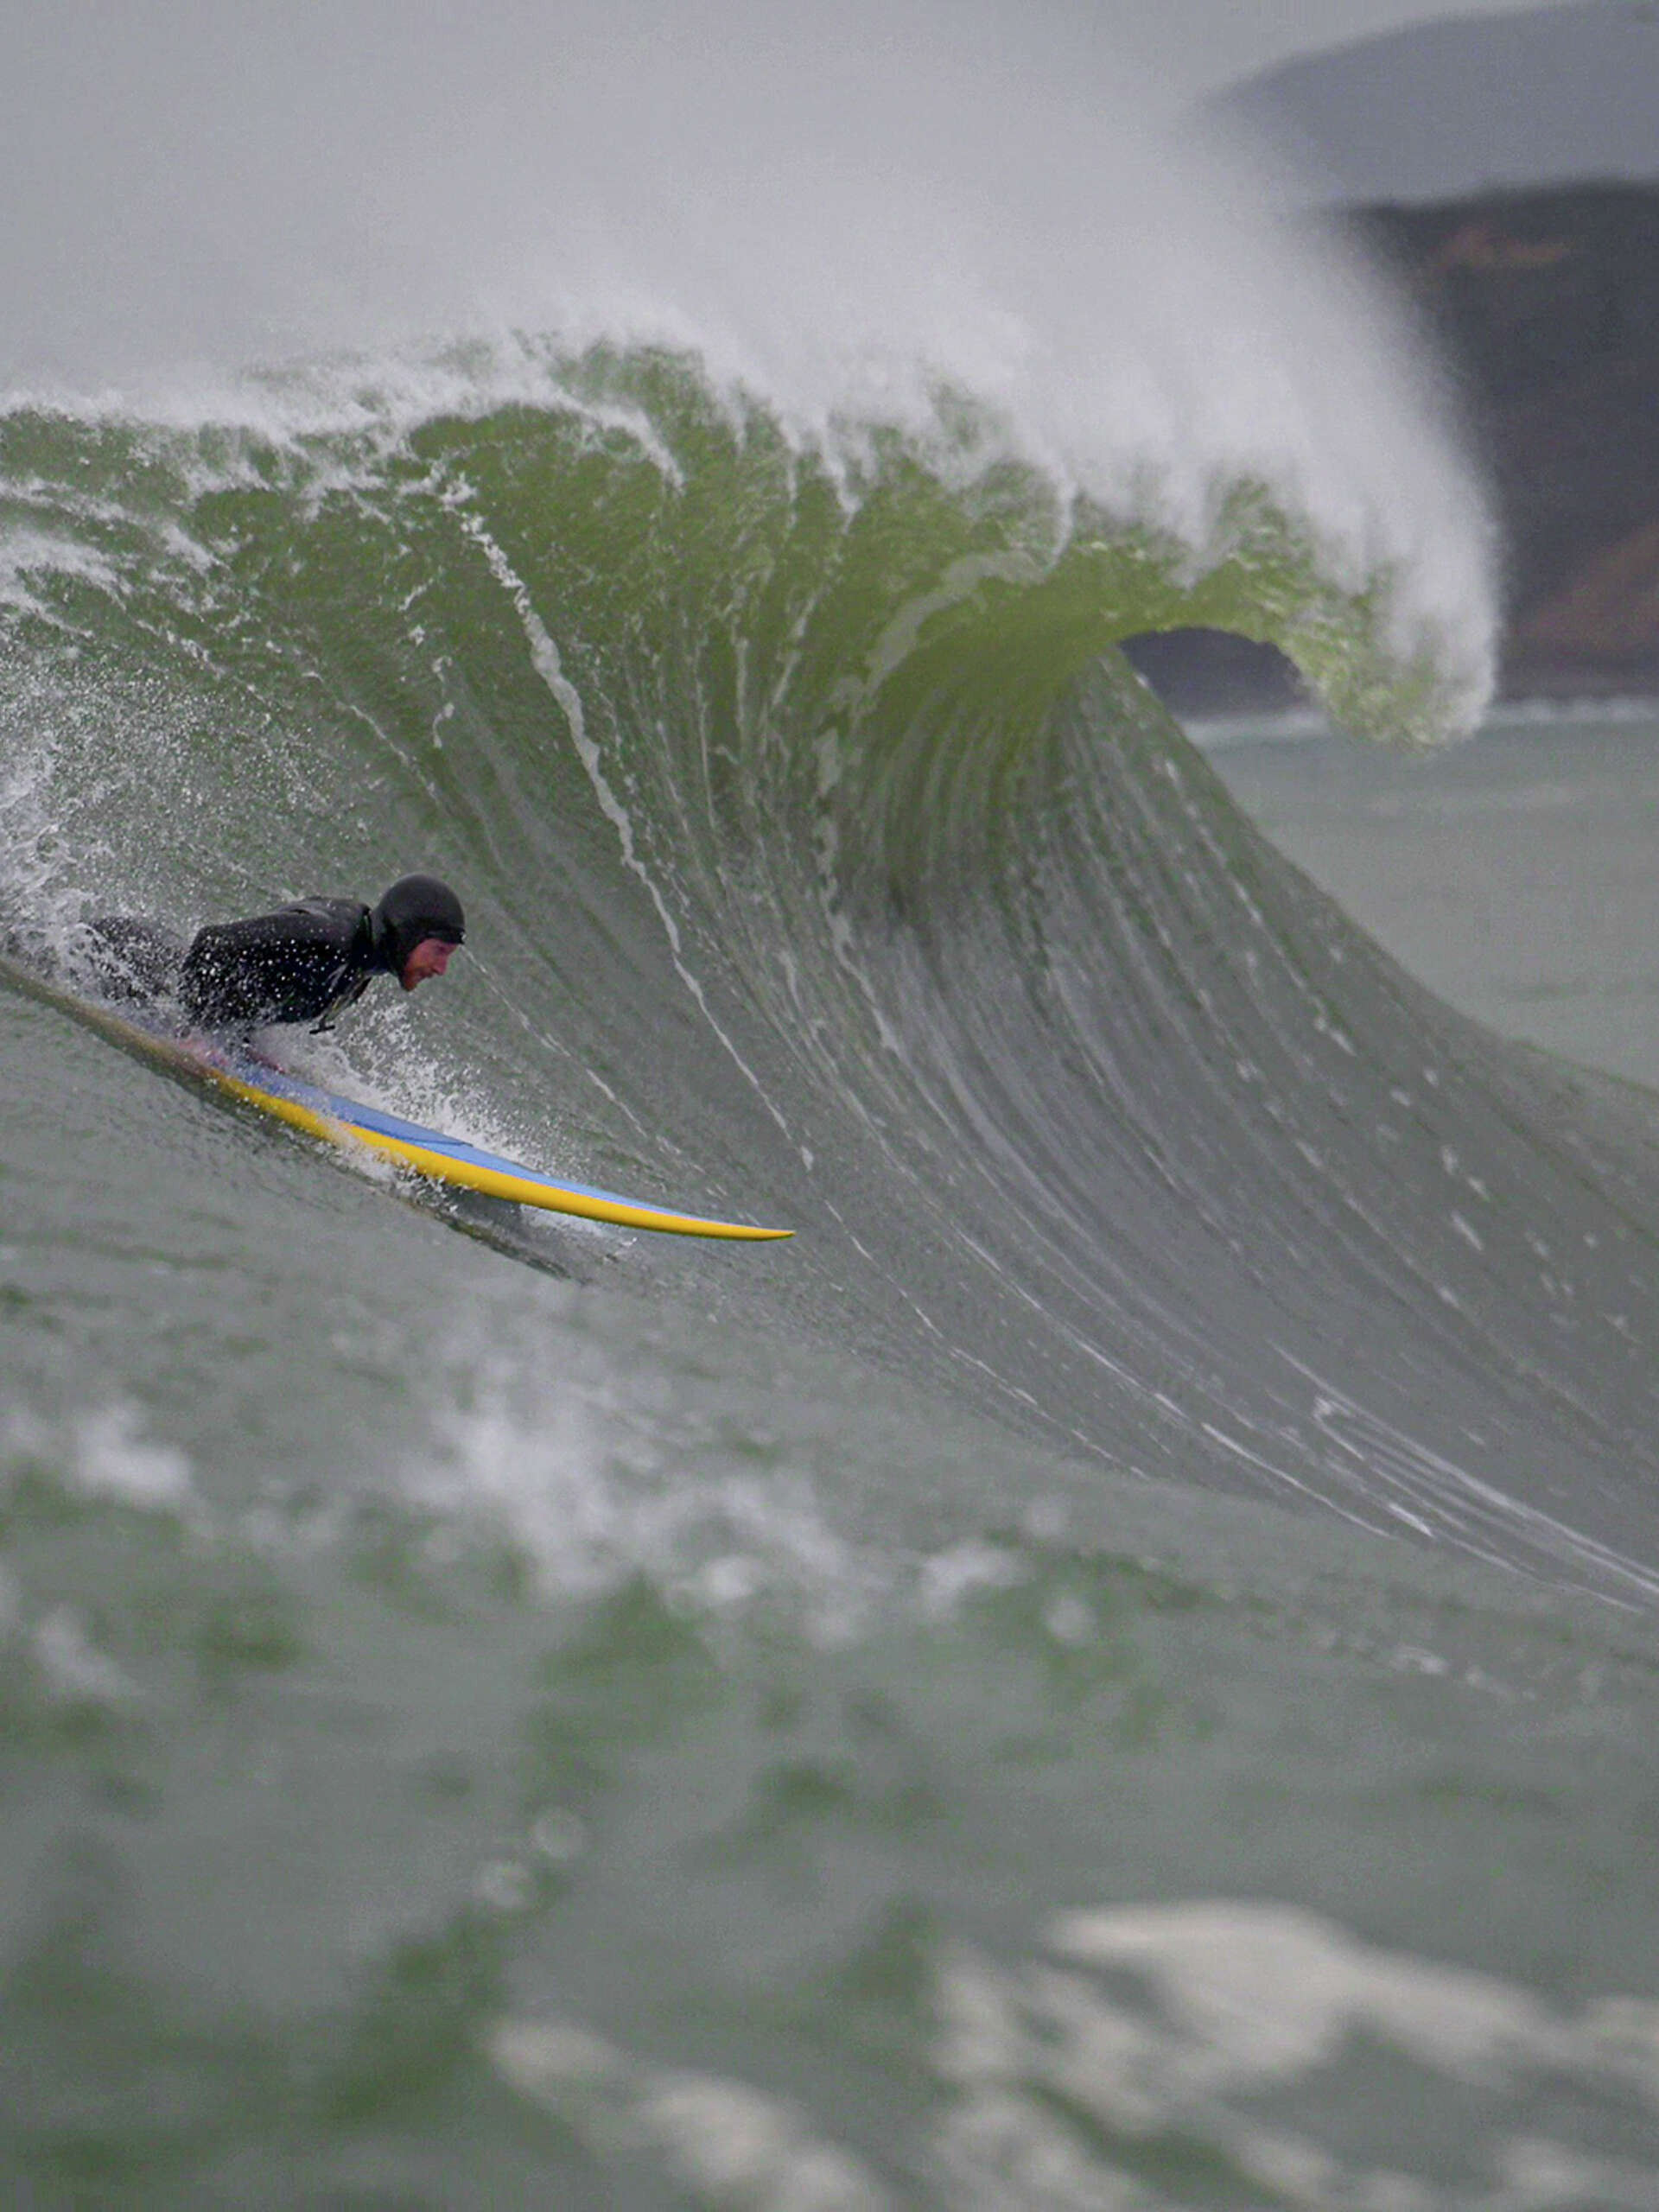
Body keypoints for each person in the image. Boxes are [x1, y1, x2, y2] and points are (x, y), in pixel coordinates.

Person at [80, 873, 465, 1033]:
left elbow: (256, 985)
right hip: (120, 957)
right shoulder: (329, 938)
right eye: (438, 951)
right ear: (406, 935)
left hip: (148, 972)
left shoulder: (363, 961)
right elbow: (212, 943)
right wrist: (194, 1032)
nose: (442, 968)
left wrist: (240, 1043)